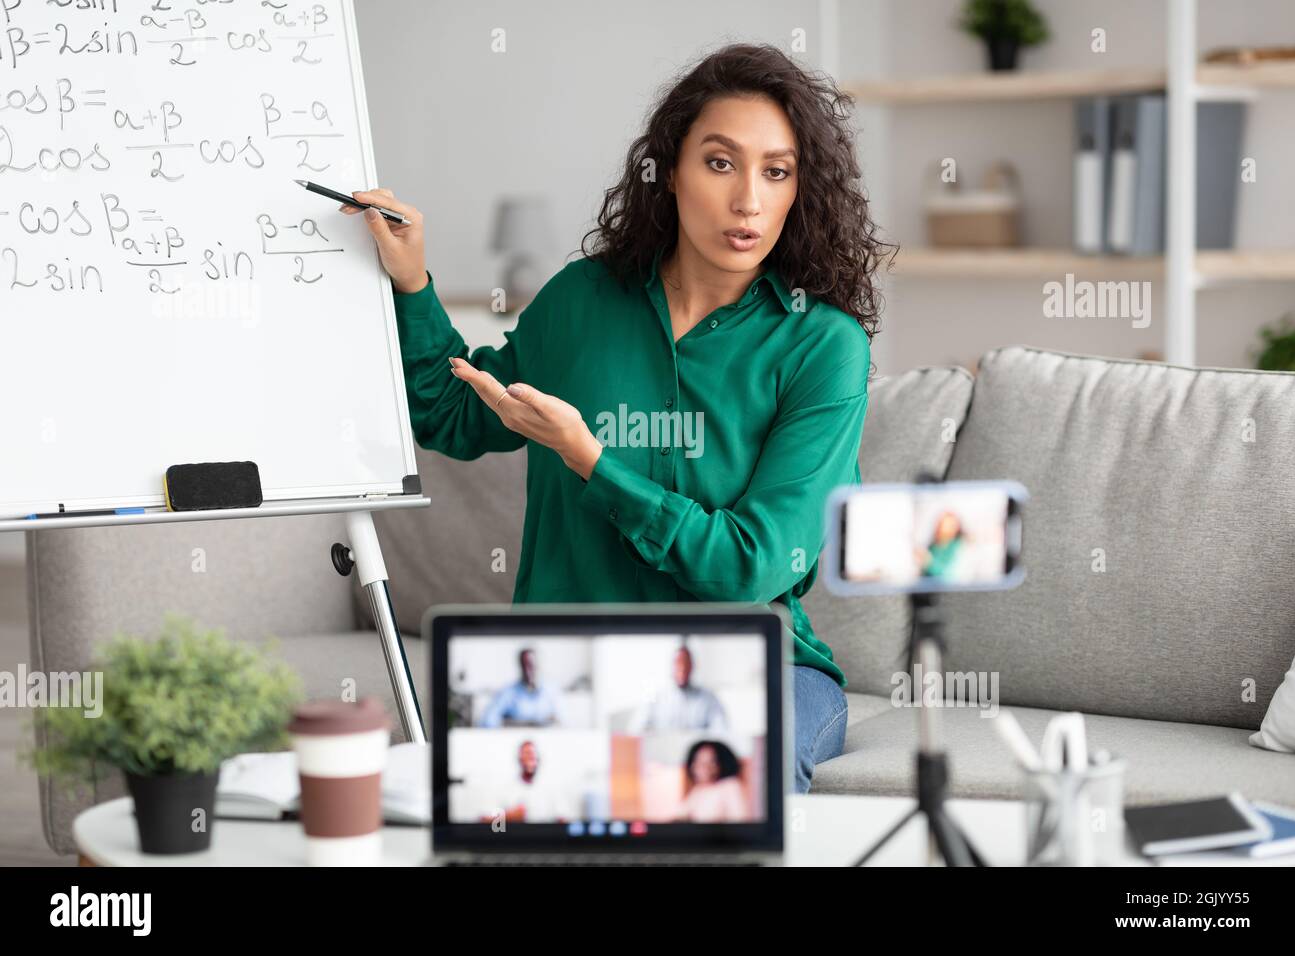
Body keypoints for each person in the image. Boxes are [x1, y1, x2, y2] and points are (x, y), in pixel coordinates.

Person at [347, 43, 892, 794]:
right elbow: (451, 415)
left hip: (754, 671)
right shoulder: (582, 301)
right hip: (571, 667)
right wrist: (411, 282)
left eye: (777, 171)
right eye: (720, 163)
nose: (749, 202)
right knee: (462, 804)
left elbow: (752, 566)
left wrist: (594, 465)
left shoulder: (823, 346)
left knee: (724, 778)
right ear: (669, 171)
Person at [627, 645, 727, 733]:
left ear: (692, 667)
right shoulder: (656, 697)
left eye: (686, 665)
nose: (682, 669)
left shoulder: (708, 698)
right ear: (672, 667)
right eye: (678, 665)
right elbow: (635, 730)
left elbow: (721, 730)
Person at [478, 648, 558, 727]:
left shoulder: (551, 691)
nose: (528, 671)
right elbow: (487, 721)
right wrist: (521, 724)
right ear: (520, 666)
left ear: (539, 665)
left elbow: (564, 722)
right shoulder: (508, 692)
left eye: (531, 665)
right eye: (524, 666)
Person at [674, 740, 749, 822]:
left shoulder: (730, 785)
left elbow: (741, 822)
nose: (704, 767)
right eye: (698, 761)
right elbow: (681, 816)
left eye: (711, 762)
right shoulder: (698, 789)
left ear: (723, 763)